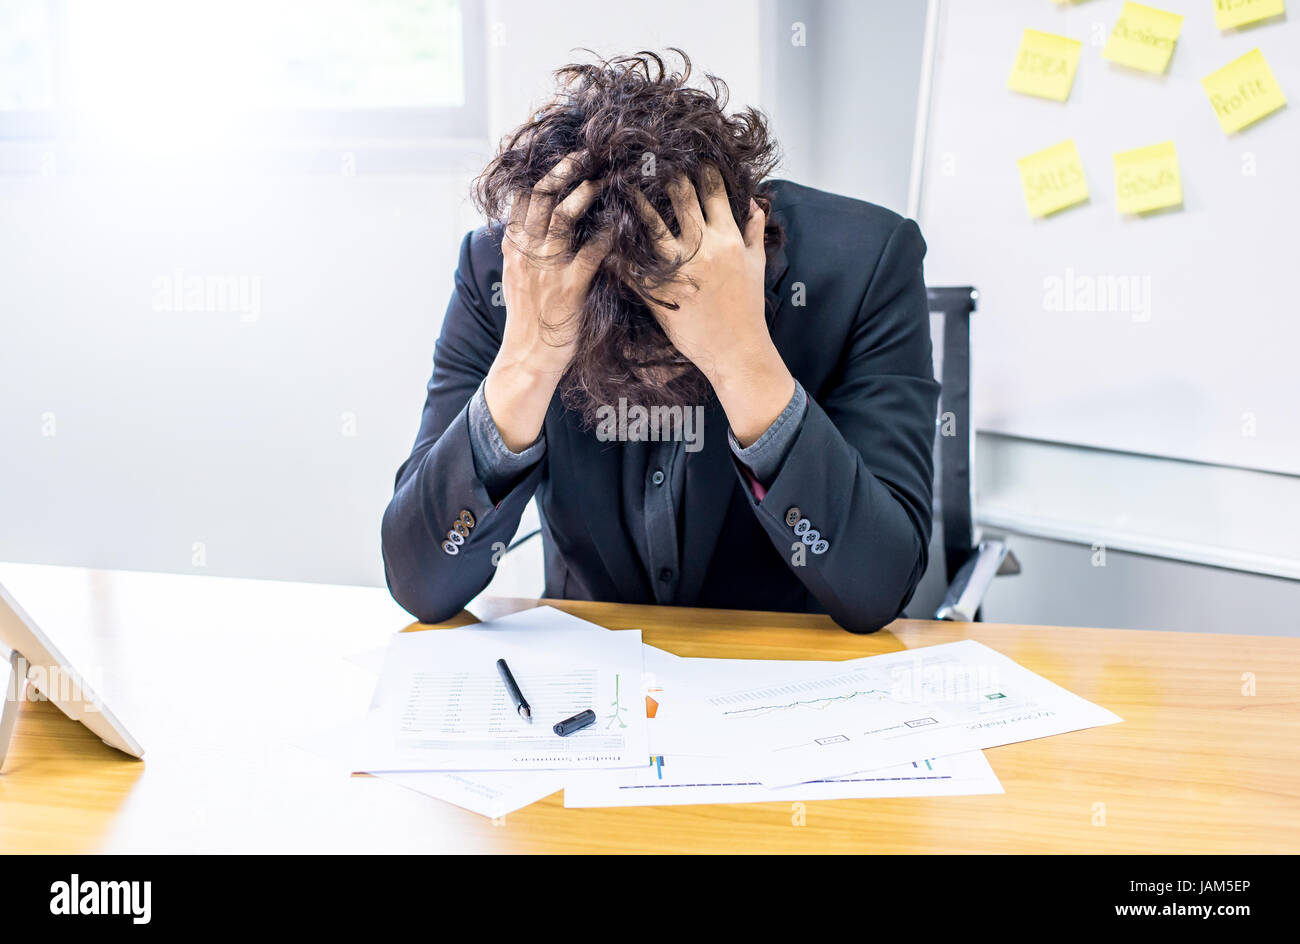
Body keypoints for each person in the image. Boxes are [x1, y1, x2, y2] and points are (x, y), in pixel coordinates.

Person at [381, 51, 939, 633]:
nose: (646, 377)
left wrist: (740, 356)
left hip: (793, 669)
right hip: (594, 674)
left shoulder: (868, 263)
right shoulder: (516, 271)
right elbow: (422, 583)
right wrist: (530, 359)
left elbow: (880, 588)